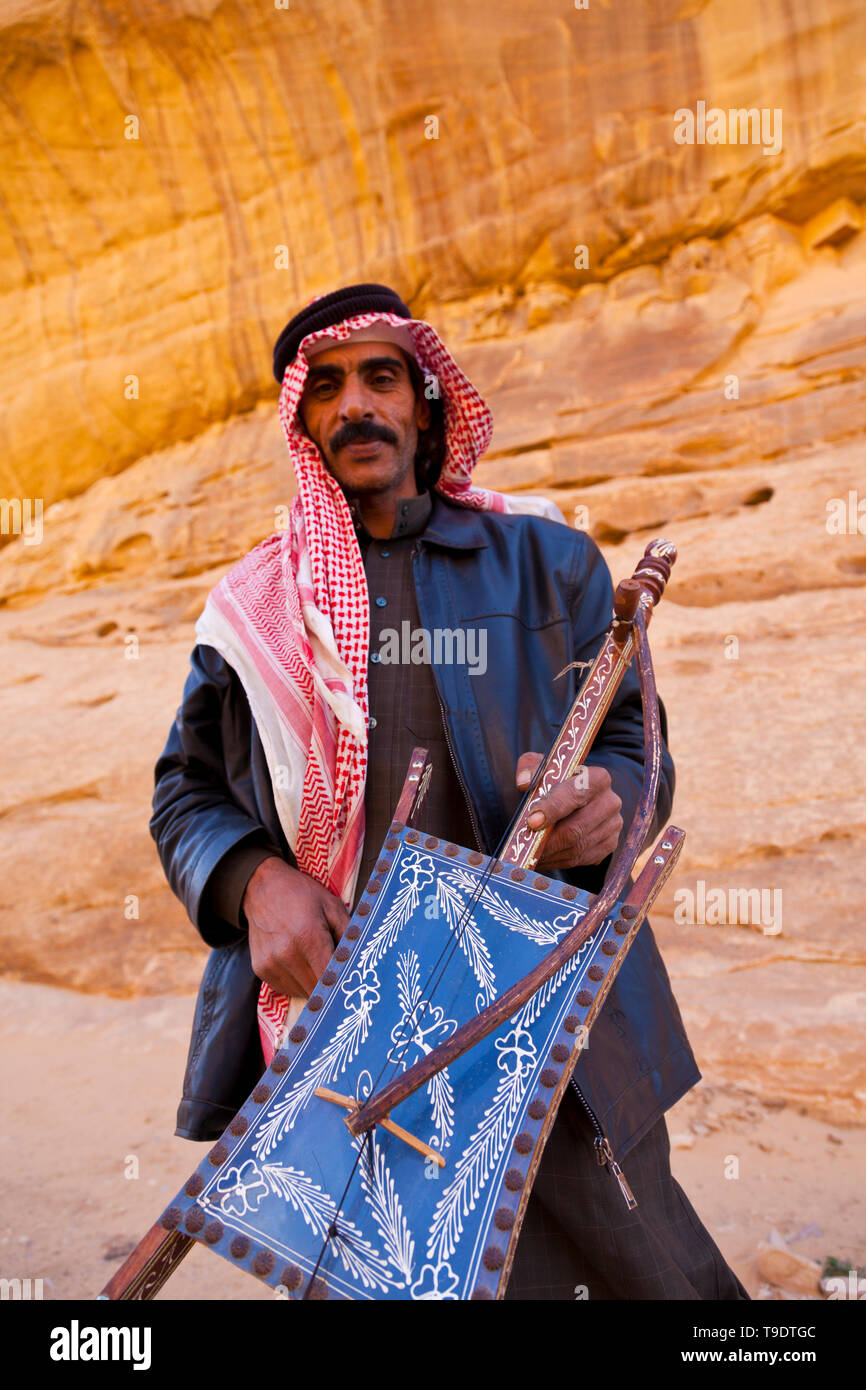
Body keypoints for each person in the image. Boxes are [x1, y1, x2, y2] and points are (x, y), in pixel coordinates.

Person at [150, 283, 748, 1299]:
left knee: (644, 1270)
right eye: (326, 387)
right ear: (302, 422)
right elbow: (185, 794)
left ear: (425, 403)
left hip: (545, 1003)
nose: (355, 406)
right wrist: (255, 883)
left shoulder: (545, 559)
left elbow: (632, 738)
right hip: (353, 1035)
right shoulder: (253, 611)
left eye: (381, 377)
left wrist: (605, 801)